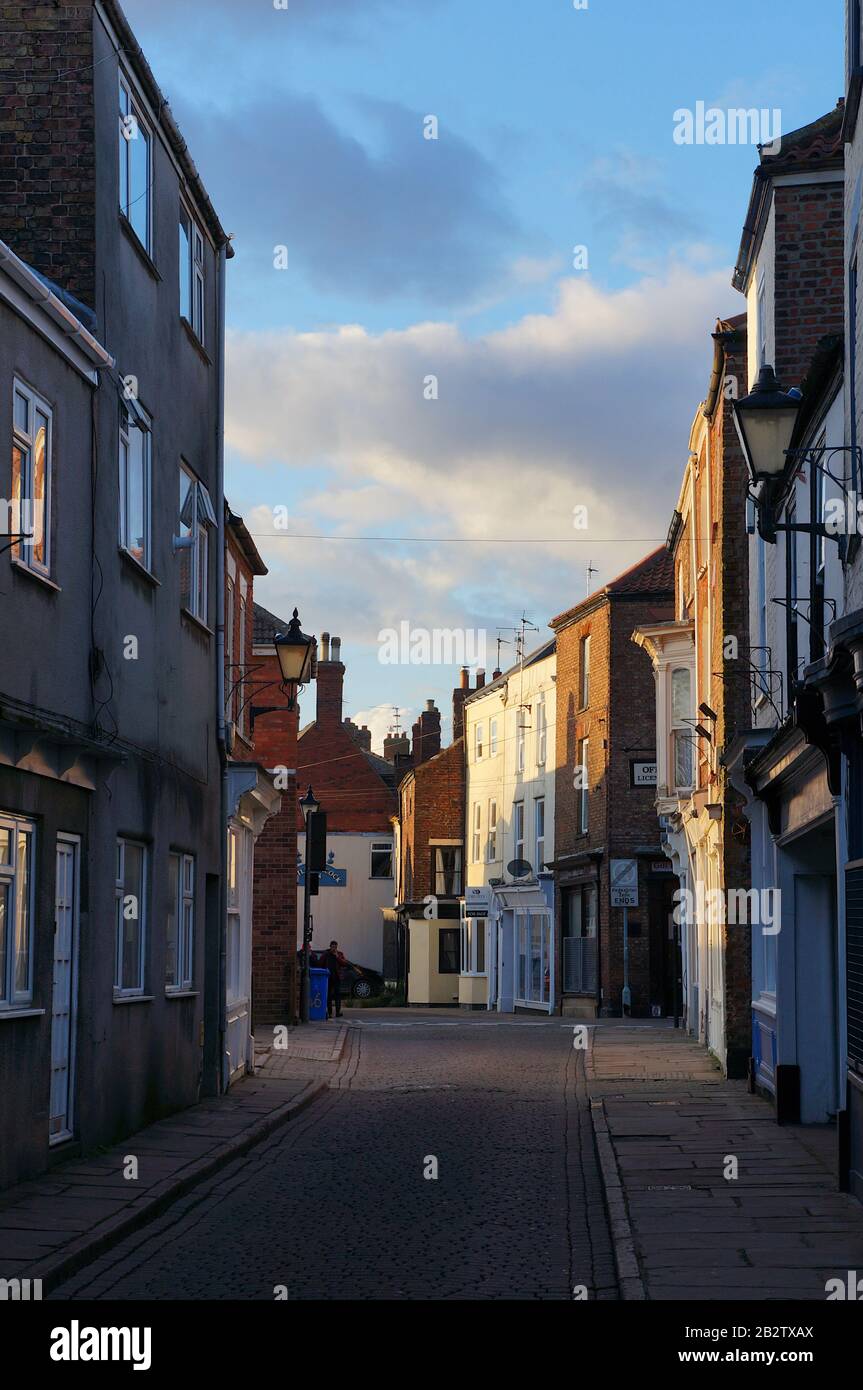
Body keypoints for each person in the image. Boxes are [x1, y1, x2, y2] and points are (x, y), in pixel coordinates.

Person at [323, 939, 345, 1018]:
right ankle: (329, 1013)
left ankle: (338, 1012)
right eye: (332, 947)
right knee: (328, 995)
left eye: (335, 947)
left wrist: (337, 956)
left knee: (337, 995)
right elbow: (320, 963)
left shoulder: (339, 954)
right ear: (330, 947)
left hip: (337, 978)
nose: (334, 949)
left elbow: (343, 963)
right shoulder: (326, 954)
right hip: (328, 977)